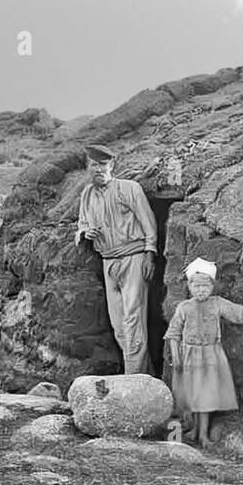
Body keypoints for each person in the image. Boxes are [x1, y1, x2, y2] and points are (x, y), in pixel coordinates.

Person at [164, 257, 243, 447]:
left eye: (205, 287)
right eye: (196, 287)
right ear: (190, 287)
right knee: (194, 395)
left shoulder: (217, 303)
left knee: (205, 396)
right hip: (190, 356)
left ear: (212, 287)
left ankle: (204, 435)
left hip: (210, 355)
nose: (201, 291)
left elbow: (237, 312)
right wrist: (176, 356)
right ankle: (195, 431)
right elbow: (173, 333)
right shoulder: (184, 307)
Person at [75, 145, 157, 374]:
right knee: (119, 326)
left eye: (103, 164)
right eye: (94, 164)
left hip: (134, 258)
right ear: (87, 167)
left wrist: (150, 255)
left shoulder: (130, 188)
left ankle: (133, 380)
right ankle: (146, 377)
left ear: (112, 166)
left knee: (133, 321)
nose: (98, 169)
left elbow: (148, 222)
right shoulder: (87, 194)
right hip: (108, 260)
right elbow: (82, 222)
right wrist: (85, 233)